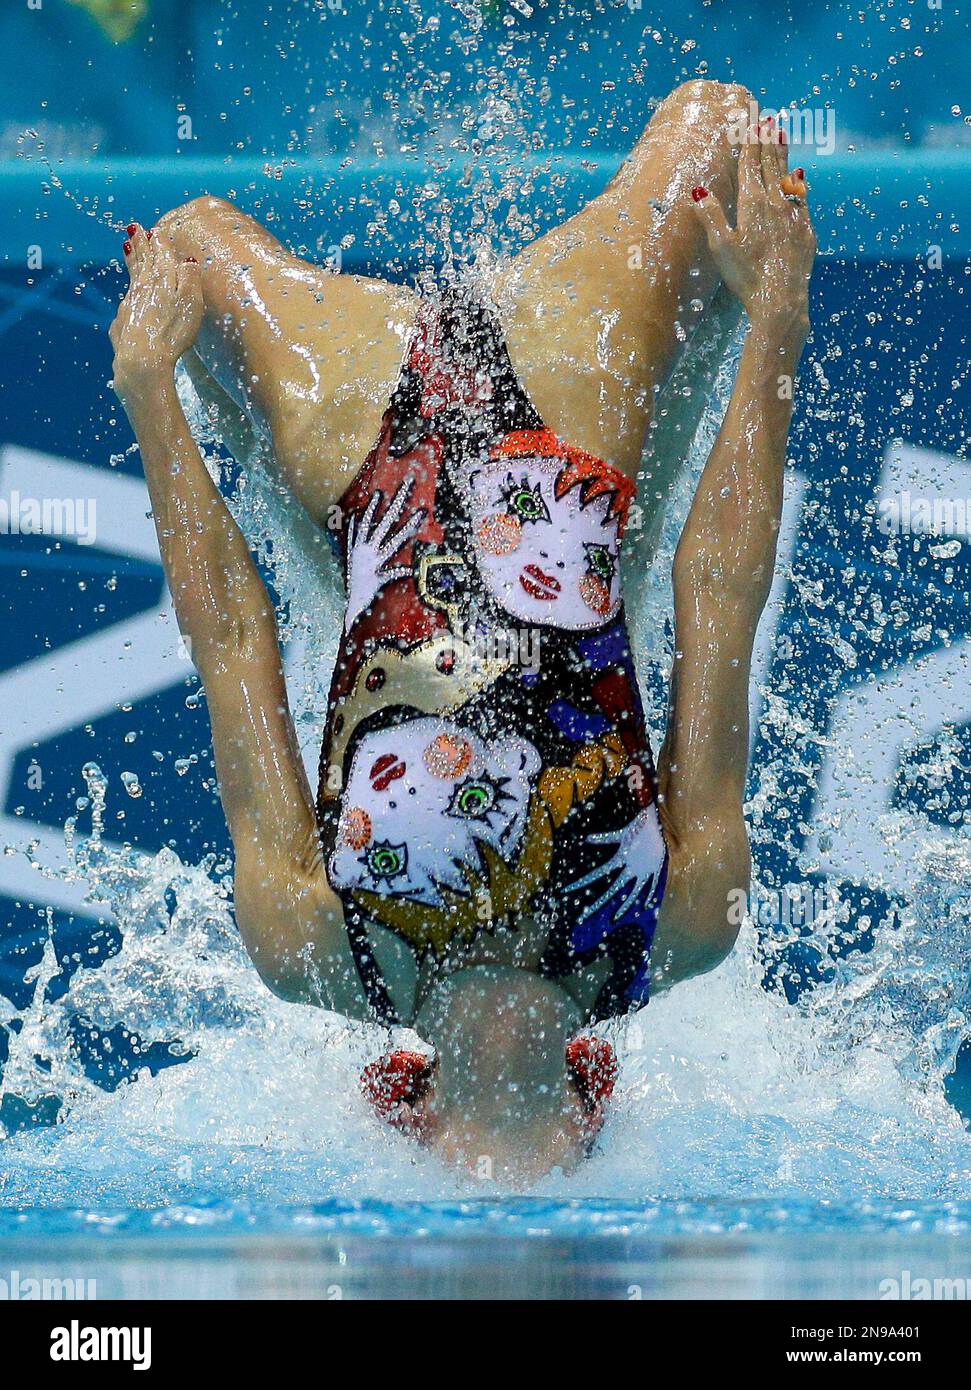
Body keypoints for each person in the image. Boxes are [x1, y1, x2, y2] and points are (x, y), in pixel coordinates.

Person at [109, 82, 815, 1182]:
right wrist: (773, 318)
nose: (502, 1162)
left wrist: (151, 389)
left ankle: (379, 565)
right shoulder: (680, 921)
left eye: (475, 1168)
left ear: (405, 1107)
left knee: (187, 250)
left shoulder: (313, 947)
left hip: (356, 443)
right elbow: (717, 593)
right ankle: (600, 536)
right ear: (591, 1107)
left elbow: (234, 640)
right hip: (572, 424)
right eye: (533, 1165)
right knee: (726, 135)